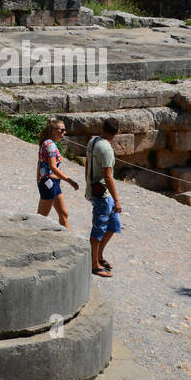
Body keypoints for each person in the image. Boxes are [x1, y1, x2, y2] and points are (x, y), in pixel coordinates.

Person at [86, 118, 122, 277]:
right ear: (117, 132)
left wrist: (88, 185)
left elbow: (87, 164)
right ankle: (94, 264)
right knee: (99, 229)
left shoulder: (93, 141)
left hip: (96, 190)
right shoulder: (106, 149)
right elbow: (108, 177)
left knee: (114, 225)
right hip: (103, 195)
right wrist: (117, 200)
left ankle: (98, 256)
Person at [36, 118, 79, 229]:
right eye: (62, 130)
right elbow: (53, 168)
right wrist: (69, 180)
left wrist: (38, 177)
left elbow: (40, 162)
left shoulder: (48, 143)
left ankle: (69, 239)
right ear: (54, 130)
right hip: (49, 183)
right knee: (41, 218)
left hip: (53, 183)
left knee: (63, 214)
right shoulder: (50, 145)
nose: (64, 132)